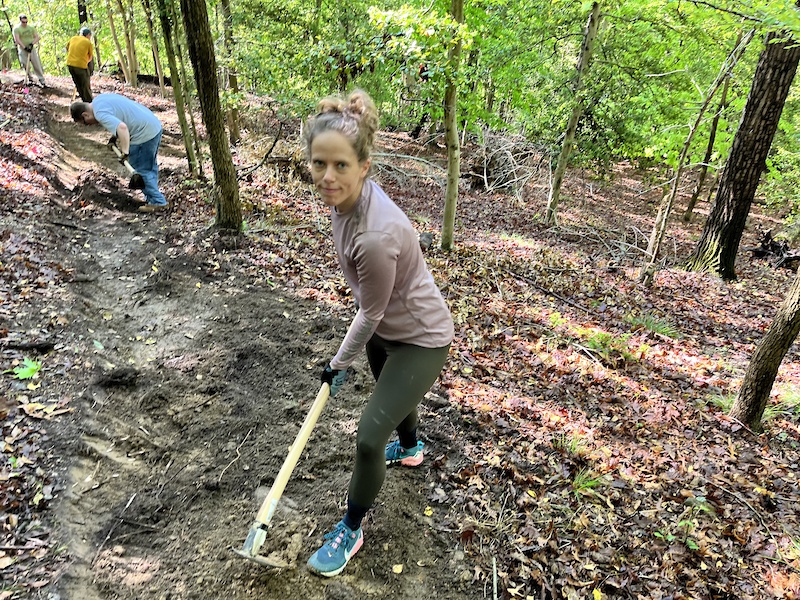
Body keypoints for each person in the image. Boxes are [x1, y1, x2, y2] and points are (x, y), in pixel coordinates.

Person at [303, 90, 454, 577]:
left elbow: (368, 312)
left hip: (422, 338)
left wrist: (336, 363)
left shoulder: (374, 234)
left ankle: (351, 528)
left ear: (364, 165)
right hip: (385, 328)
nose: (328, 177)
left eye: (341, 166)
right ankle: (411, 448)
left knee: (368, 439)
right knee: (393, 396)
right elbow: (371, 312)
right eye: (319, 163)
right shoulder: (343, 202)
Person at [70, 94, 168, 212]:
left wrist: (125, 152)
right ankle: (152, 199)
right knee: (149, 166)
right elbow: (122, 116)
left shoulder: (100, 113)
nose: (89, 125)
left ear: (85, 114)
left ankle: (159, 202)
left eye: (85, 122)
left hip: (142, 134)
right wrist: (114, 137)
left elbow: (122, 127)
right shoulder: (99, 100)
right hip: (153, 126)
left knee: (141, 170)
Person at [12, 14, 46, 87]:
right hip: (22, 49)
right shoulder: (17, 29)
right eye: (23, 22)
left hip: (31, 49)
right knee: (24, 63)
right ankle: (30, 79)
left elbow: (37, 37)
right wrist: (24, 47)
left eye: (26, 22)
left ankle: (42, 80)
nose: (25, 24)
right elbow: (17, 39)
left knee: (36, 64)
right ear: (20, 21)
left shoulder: (31, 28)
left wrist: (31, 44)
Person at [66, 27, 94, 102]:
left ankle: (84, 100)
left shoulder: (73, 38)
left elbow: (67, 48)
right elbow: (90, 57)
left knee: (78, 84)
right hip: (81, 66)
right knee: (85, 85)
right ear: (88, 35)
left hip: (70, 65)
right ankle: (90, 103)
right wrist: (84, 61)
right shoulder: (88, 42)